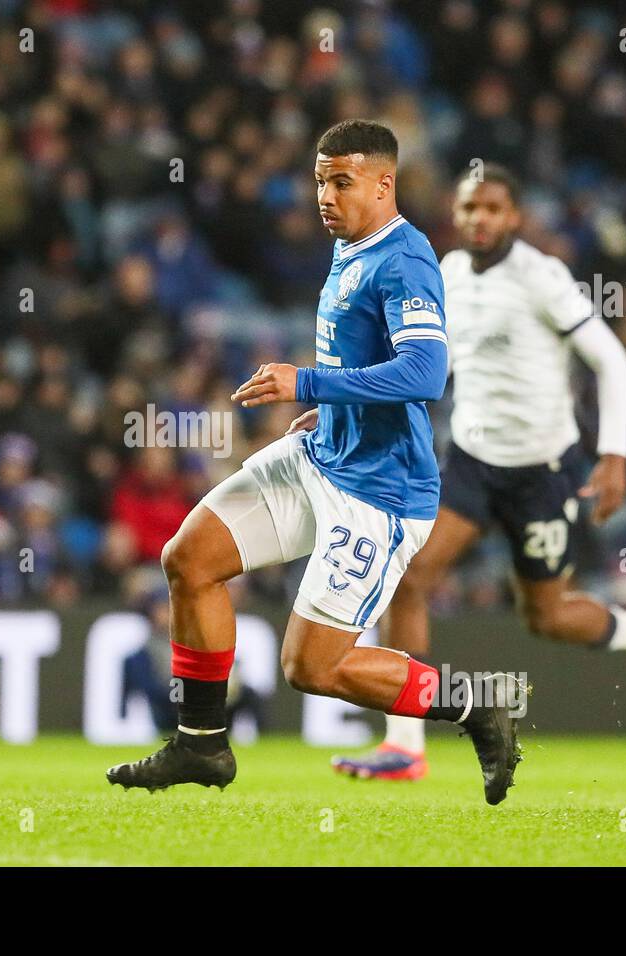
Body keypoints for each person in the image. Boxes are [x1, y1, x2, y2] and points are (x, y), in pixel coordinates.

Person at [106, 121, 522, 805]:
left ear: (384, 184)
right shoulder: (348, 244)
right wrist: (332, 409)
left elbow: (425, 372)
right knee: (190, 559)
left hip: (378, 493)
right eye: (320, 180)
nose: (325, 196)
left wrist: (309, 384)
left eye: (342, 181)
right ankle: (201, 745)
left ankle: (477, 705)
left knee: (311, 667)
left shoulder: (405, 258)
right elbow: (364, 357)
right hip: (322, 455)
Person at [331, 164, 626, 783]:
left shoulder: (542, 278)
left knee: (545, 618)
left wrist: (615, 456)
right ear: (456, 214)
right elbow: (405, 362)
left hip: (544, 470)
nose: (479, 219)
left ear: (515, 216)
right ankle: (406, 746)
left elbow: (613, 361)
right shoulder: (446, 276)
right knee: (410, 578)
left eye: (493, 208)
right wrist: (333, 403)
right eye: (469, 208)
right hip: (471, 464)